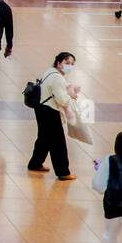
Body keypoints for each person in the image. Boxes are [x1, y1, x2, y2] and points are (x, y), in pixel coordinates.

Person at [28, 51, 79, 181]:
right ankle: (63, 172)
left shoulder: (50, 72)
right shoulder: (57, 78)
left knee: (44, 138)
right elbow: (61, 99)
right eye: (67, 63)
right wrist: (71, 97)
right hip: (49, 111)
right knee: (58, 142)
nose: (69, 66)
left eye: (72, 64)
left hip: (41, 108)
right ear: (58, 63)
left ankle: (35, 163)